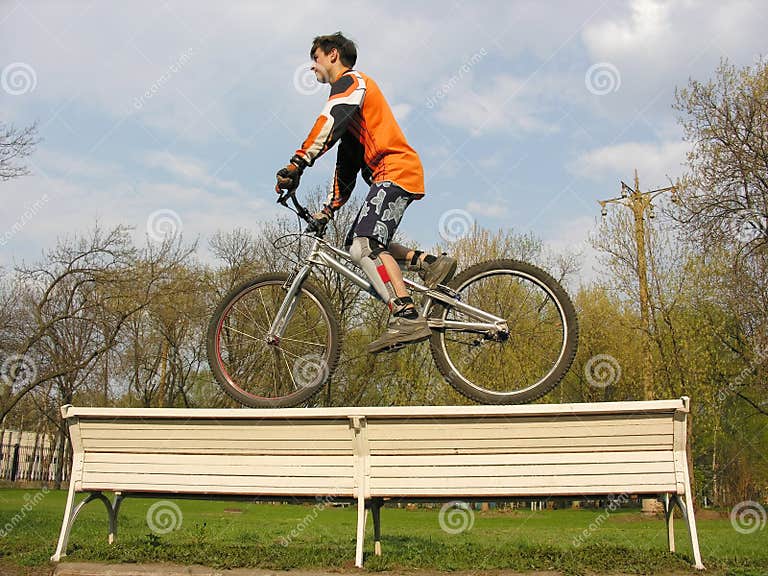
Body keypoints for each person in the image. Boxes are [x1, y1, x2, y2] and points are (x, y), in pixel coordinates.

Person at [275, 32, 456, 353]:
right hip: (393, 173)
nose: (312, 66)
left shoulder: (352, 82)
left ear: (333, 55)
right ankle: (429, 264)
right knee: (356, 245)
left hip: (394, 170)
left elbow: (329, 121)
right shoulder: (353, 114)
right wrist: (328, 210)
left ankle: (406, 315)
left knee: (365, 245)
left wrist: (298, 162)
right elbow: (346, 168)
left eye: (315, 58)